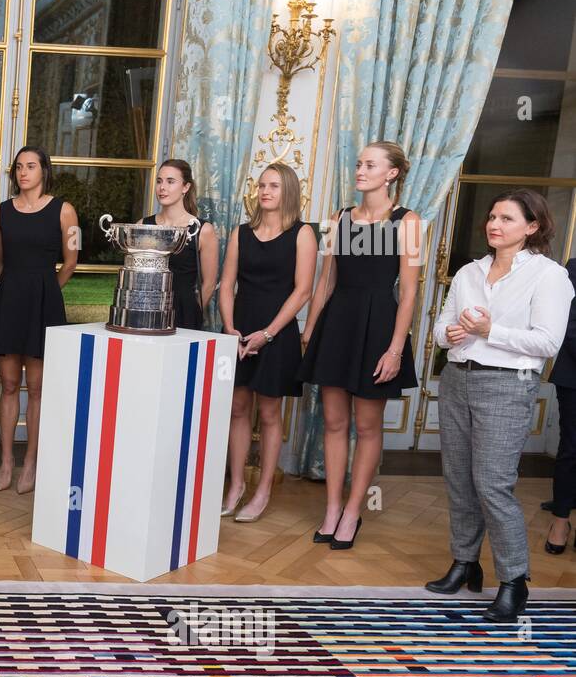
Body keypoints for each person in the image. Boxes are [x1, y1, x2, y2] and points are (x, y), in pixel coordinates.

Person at [427, 189, 573, 622]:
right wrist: (449, 334)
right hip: (457, 379)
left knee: (493, 483)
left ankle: (514, 581)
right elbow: (439, 328)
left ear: (532, 226)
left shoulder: (550, 276)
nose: (494, 224)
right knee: (459, 479)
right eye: (492, 216)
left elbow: (548, 342)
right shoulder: (469, 272)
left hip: (508, 385)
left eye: (507, 218)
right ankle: (464, 562)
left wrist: (493, 330)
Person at [298, 141, 420, 549]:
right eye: (358, 163)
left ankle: (353, 512)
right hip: (339, 322)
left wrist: (395, 349)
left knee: (367, 426)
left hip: (380, 326)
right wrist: (310, 331)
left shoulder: (407, 222)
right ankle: (332, 508)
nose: (360, 170)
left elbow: (408, 292)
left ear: (392, 173)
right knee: (333, 422)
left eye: (370, 164)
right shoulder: (340, 218)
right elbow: (326, 281)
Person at [219, 163, 316, 523]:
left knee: (270, 413)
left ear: (288, 190)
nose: (265, 191)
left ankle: (263, 491)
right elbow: (226, 284)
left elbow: (303, 290)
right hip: (239, 331)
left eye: (273, 186)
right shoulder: (240, 233)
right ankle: (236, 485)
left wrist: (269, 333)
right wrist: (230, 327)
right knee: (237, 408)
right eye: (261, 185)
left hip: (277, 334)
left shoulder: (302, 234)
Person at [0, 145, 78, 493]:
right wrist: (17, 288)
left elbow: (71, 260)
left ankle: (31, 462)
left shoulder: (64, 210)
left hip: (44, 302)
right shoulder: (0, 213)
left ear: (44, 171)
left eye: (31, 166)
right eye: (19, 167)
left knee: (37, 389)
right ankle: (7, 460)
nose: (24, 172)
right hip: (10, 300)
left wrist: (47, 291)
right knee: (8, 385)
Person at [142, 159, 218, 330]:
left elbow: (210, 283)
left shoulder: (203, 230)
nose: (162, 187)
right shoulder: (143, 225)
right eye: (159, 181)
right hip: (146, 308)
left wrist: (192, 311)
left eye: (170, 181)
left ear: (185, 187)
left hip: (184, 313)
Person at [544, 256, 576, 553]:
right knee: (572, 449)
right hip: (574, 374)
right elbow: (566, 324)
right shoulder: (574, 268)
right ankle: (560, 519)